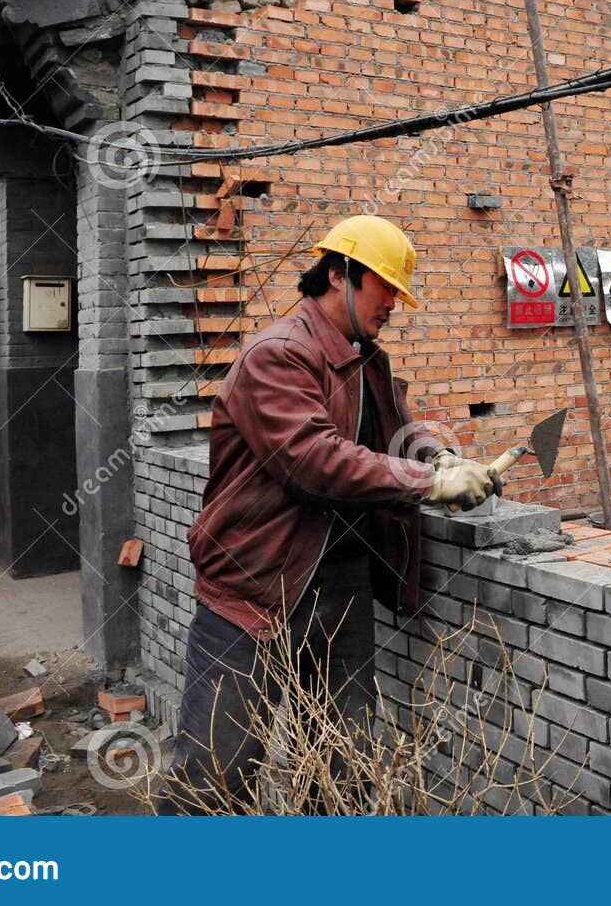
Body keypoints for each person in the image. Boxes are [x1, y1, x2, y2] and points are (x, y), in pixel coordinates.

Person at [155, 215, 501, 814]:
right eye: (386, 287)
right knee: (215, 780)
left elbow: (395, 431)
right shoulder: (278, 356)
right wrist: (430, 483)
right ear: (340, 274)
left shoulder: (363, 358)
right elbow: (313, 460)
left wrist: (436, 455)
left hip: (339, 590)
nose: (392, 304)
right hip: (256, 594)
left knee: (342, 771)